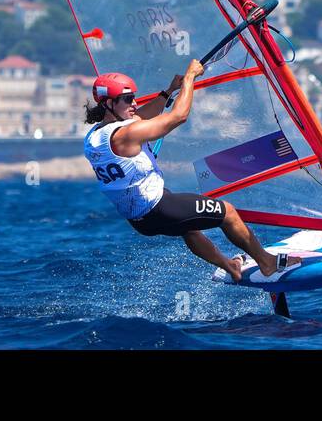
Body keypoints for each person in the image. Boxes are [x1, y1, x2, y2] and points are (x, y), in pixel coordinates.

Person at [82, 63, 299, 280]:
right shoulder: (126, 134)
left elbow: (141, 117)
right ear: (109, 103)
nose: (135, 103)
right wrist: (190, 78)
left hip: (139, 220)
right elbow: (178, 116)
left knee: (189, 228)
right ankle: (267, 262)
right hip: (159, 207)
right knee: (229, 213)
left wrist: (169, 91)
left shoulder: (94, 137)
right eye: (129, 99)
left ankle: (231, 267)